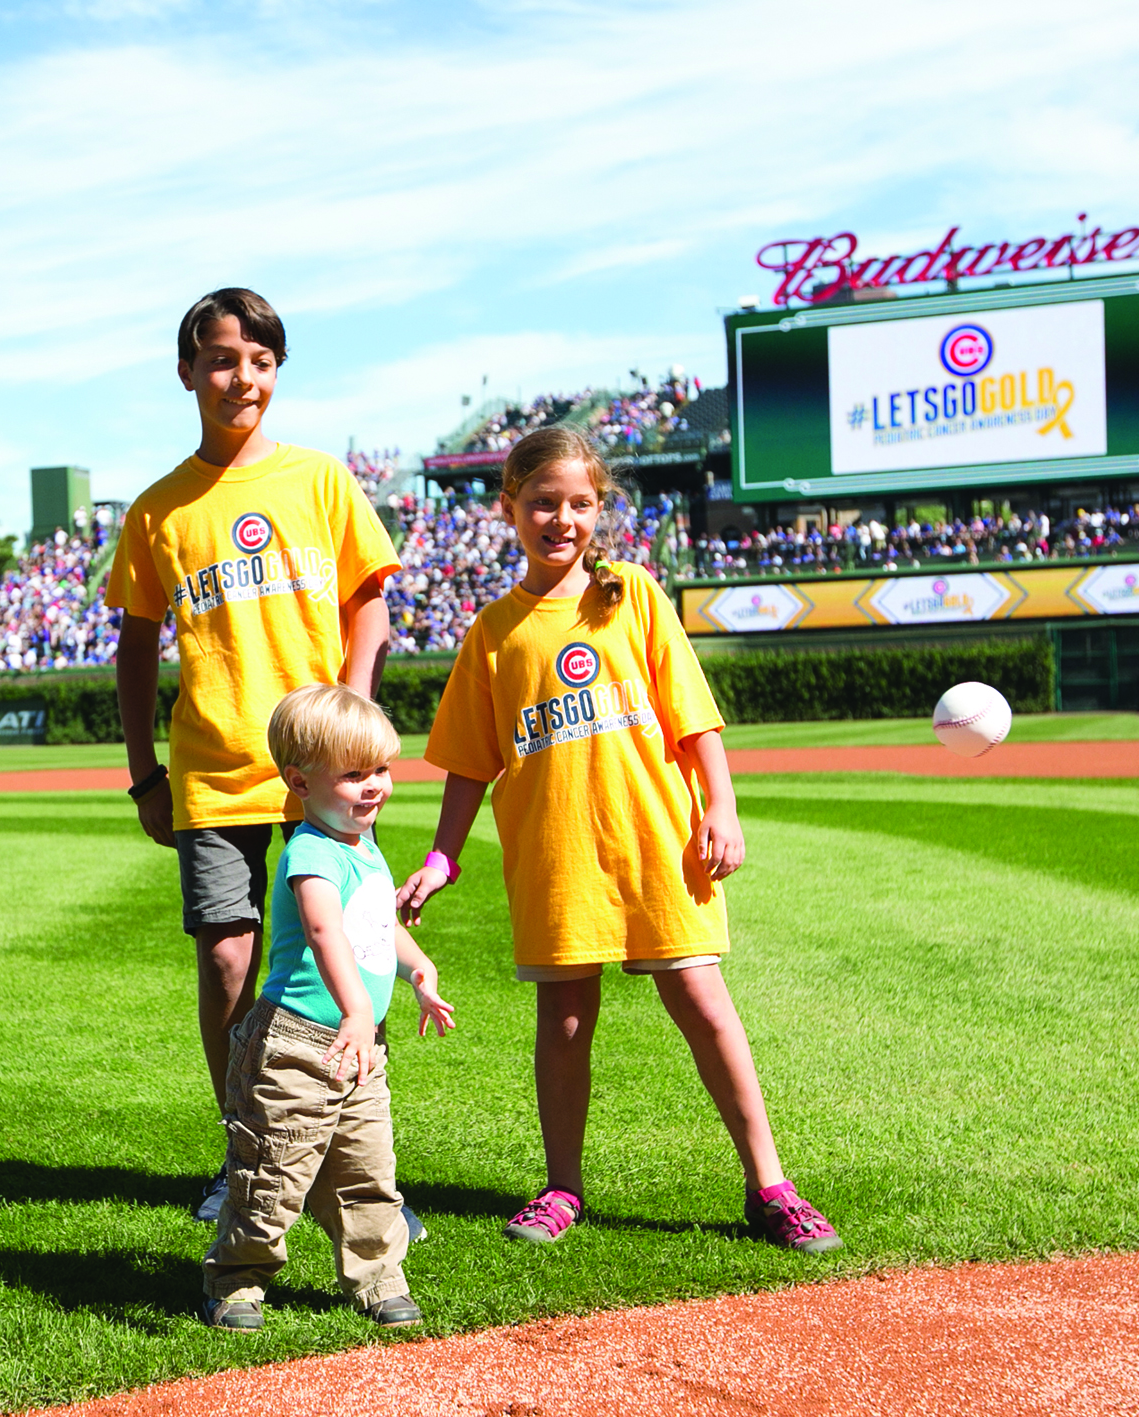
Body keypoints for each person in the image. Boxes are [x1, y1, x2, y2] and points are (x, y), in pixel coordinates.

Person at [396, 425, 841, 1255]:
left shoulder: (631, 592)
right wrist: (441, 855)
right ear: (509, 510)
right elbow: (467, 765)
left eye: (578, 503)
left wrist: (723, 807)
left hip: (658, 843)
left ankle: (770, 1183)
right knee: (564, 1018)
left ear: (600, 508)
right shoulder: (493, 631)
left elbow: (694, 719)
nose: (560, 519)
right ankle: (563, 1186)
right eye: (541, 503)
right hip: (557, 855)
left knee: (704, 1004)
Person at [106, 287, 406, 1227]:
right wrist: (143, 772)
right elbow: (135, 647)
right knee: (231, 965)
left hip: (321, 771)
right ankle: (250, 1156)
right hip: (212, 766)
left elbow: (371, 607)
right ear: (190, 370)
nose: (245, 378)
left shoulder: (321, 479)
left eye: (263, 362)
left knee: (350, 958)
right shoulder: (159, 509)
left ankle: (357, 1172)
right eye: (227, 360)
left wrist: (349, 725)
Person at [202, 684, 453, 1332]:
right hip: (295, 1044)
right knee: (272, 1171)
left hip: (357, 1043)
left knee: (368, 1169)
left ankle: (378, 1278)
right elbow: (325, 932)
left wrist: (416, 967)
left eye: (381, 770)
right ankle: (237, 1281)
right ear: (300, 782)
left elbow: (372, 923)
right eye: (353, 775)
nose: (373, 787)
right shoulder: (312, 852)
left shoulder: (362, 845)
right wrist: (355, 1011)